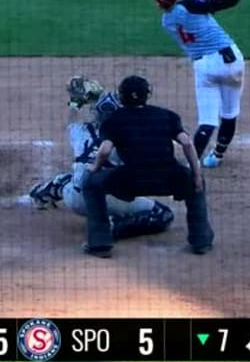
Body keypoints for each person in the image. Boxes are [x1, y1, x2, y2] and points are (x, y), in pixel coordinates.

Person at [27, 76, 176, 240]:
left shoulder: (80, 131)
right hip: (103, 199)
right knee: (163, 214)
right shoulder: (127, 137)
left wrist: (76, 102)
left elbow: (72, 119)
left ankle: (46, 191)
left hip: (74, 199)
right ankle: (116, 226)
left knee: (75, 178)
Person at [152, 0, 250, 169]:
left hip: (204, 68)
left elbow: (198, 2)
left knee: (207, 121)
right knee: (229, 113)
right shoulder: (192, 5)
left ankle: (188, 167)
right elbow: (230, 1)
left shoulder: (167, 20)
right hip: (231, 62)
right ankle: (217, 156)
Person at [82, 75, 213, 257]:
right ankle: (201, 241)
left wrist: (93, 169)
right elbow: (187, 144)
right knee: (196, 184)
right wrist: (197, 176)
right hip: (169, 178)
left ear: (121, 97)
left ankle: (99, 243)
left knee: (90, 183)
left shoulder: (113, 120)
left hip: (131, 181)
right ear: (147, 94)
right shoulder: (167, 115)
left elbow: (104, 151)